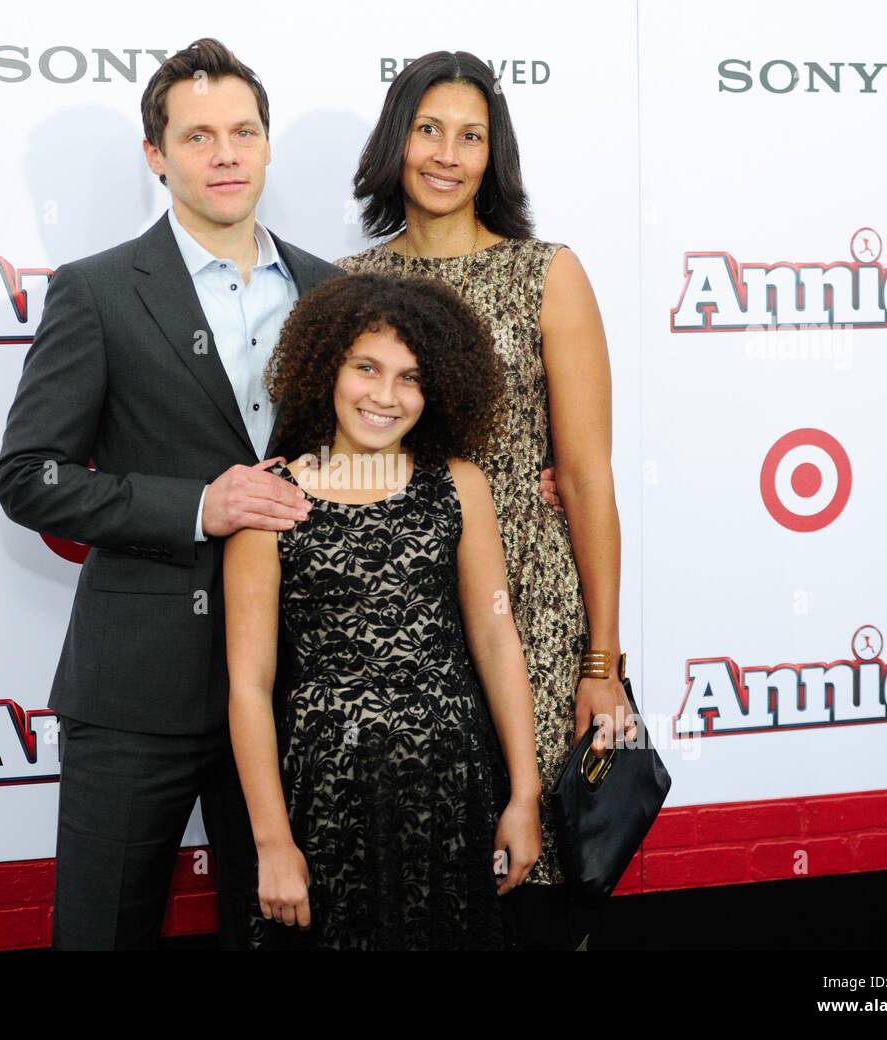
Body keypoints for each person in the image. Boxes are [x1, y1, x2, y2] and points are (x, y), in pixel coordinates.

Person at [0, 38, 344, 949]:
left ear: (267, 146)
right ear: (156, 156)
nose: (224, 154)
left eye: (242, 132)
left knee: (282, 934)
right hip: (135, 689)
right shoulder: (97, 292)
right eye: (196, 137)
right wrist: (197, 506)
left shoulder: (332, 294)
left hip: (294, 682)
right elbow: (29, 476)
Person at [334, 50, 635, 950]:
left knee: (537, 884)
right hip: (401, 616)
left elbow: (585, 478)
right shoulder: (347, 286)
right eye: (428, 129)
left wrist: (601, 664)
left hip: (533, 612)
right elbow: (333, 463)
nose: (446, 154)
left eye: (472, 136)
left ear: (493, 157)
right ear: (395, 141)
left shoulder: (549, 274)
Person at [225, 271, 543, 950]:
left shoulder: (460, 485)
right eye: (366, 368)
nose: (385, 396)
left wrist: (524, 795)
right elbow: (249, 684)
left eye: (410, 377)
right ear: (325, 367)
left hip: (452, 788)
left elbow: (495, 637)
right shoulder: (271, 500)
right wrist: (273, 841)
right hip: (327, 796)